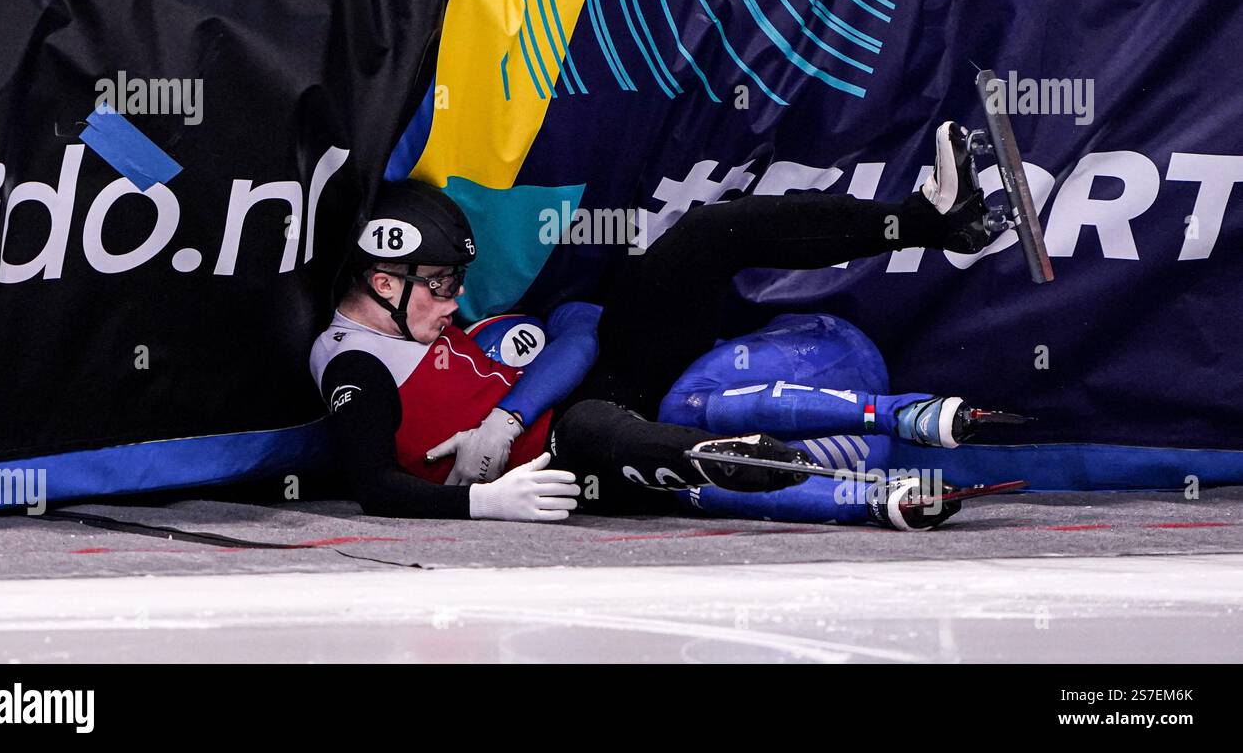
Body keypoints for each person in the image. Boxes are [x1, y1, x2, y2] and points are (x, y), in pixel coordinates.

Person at [310, 122, 1013, 529]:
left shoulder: (424, 324)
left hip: (588, 398)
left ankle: (933, 219)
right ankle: (867, 501)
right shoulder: (354, 365)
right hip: (572, 462)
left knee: (701, 237)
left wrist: (504, 416)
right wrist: (482, 503)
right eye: (439, 288)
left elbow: (582, 327)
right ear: (383, 283)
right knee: (589, 426)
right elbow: (373, 485)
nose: (452, 303)